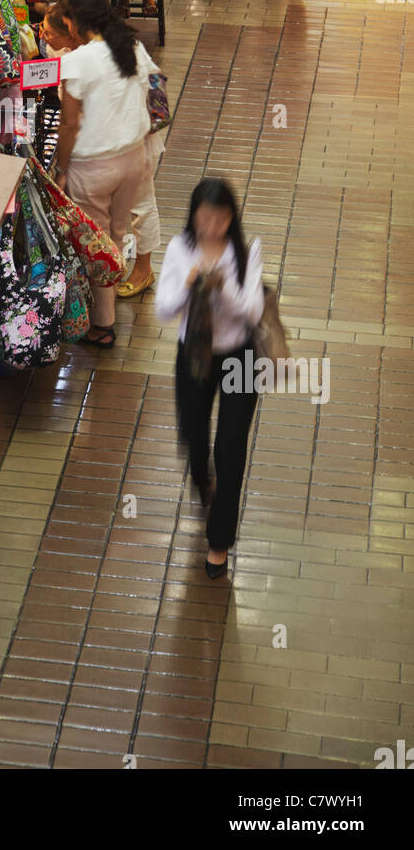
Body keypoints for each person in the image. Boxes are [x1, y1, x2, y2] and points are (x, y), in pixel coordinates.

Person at [155, 179, 264, 578]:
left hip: (240, 358)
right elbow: (163, 311)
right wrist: (188, 285)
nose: (212, 225)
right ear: (193, 214)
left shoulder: (247, 252)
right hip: (195, 357)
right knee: (194, 440)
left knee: (231, 447)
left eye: (220, 217)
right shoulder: (179, 250)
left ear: (231, 217)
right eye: (204, 216)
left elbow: (252, 312)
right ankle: (206, 485)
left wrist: (223, 286)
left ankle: (219, 543)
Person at [52, 0, 161, 348]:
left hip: (94, 168)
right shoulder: (131, 45)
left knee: (96, 243)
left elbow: (69, 124)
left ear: (73, 21)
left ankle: (101, 325)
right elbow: (147, 93)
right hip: (133, 159)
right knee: (114, 237)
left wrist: (60, 167)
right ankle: (104, 316)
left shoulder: (78, 61)